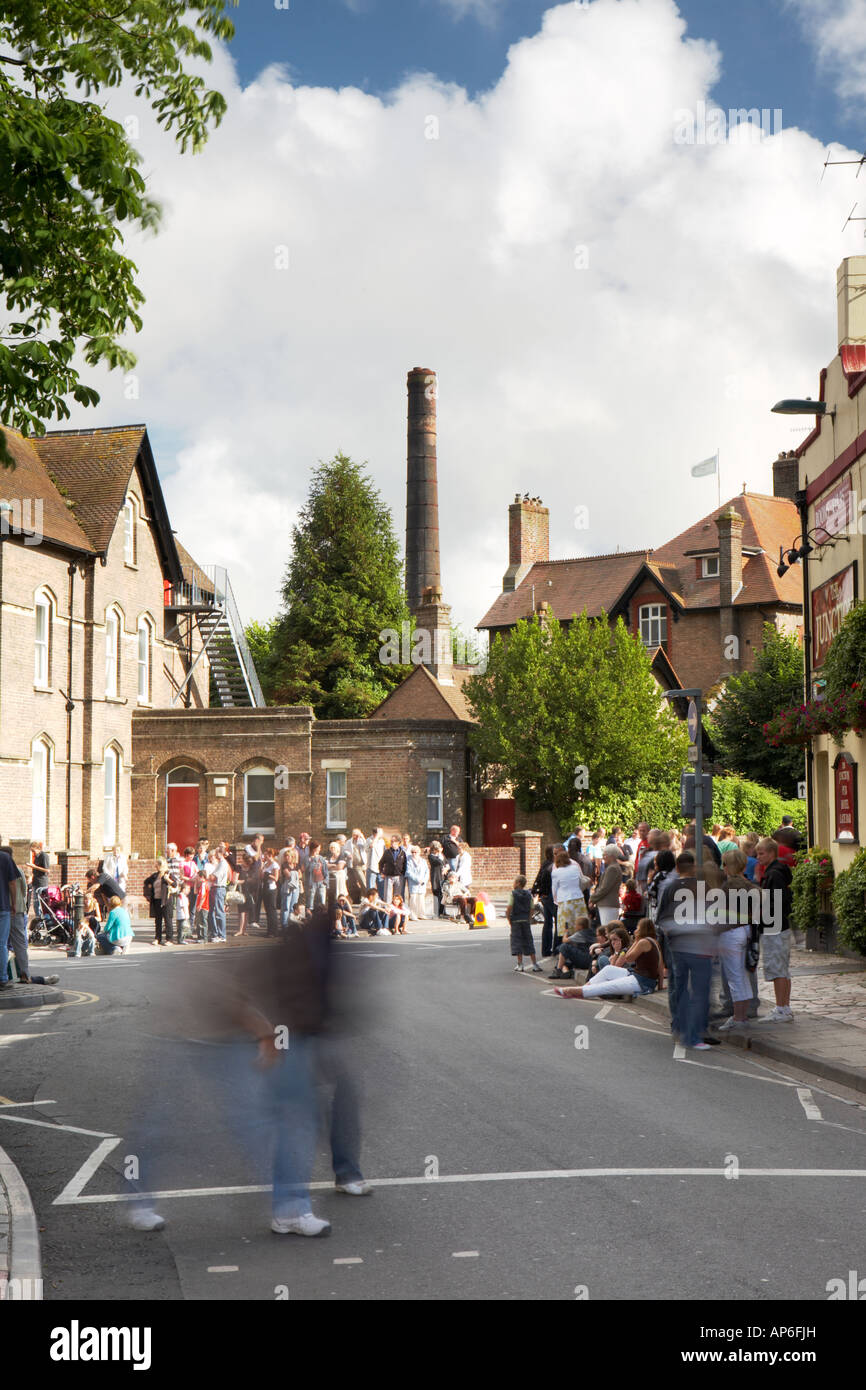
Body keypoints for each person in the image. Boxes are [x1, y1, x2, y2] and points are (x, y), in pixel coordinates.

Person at [665, 864, 721, 1049]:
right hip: (698, 953)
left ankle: (682, 1029)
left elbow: (668, 923)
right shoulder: (707, 902)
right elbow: (712, 925)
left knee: (683, 993)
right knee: (700, 996)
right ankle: (692, 1036)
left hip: (680, 951)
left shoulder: (682, 900)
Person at [554, 919, 662, 999]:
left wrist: (634, 942)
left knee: (608, 986)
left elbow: (628, 958)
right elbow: (660, 966)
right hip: (639, 976)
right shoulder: (653, 941)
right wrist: (660, 986)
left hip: (641, 981)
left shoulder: (642, 942)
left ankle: (575, 992)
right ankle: (584, 988)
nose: (635, 930)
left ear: (642, 929)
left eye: (638, 928)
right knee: (608, 969)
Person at [714, 848, 760, 1031]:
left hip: (730, 933)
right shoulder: (749, 885)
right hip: (746, 931)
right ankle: (741, 1015)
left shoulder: (728, 886)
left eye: (724, 864)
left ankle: (738, 1017)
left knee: (735, 978)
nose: (723, 867)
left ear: (728, 866)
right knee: (742, 976)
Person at [754, 837, 794, 1023]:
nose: (758, 856)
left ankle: (781, 1008)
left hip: (774, 927)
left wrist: (764, 916)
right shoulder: (777, 871)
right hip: (780, 926)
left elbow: (776, 901)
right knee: (782, 969)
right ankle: (784, 1007)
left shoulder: (774, 874)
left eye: (761, 853)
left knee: (778, 969)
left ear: (771, 853)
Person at [551, 849, 589, 949]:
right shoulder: (575, 868)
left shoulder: (556, 872)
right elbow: (581, 880)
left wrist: (555, 900)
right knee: (580, 925)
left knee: (566, 927)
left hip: (565, 900)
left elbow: (554, 888)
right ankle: (581, 947)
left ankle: (568, 949)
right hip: (578, 898)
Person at [506, 875, 541, 972]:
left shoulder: (513, 894)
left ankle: (520, 964)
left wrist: (509, 918)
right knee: (528, 940)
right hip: (525, 920)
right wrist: (529, 918)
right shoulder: (528, 894)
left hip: (516, 920)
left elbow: (509, 907)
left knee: (517, 941)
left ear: (518, 883)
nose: (513, 884)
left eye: (514, 882)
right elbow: (532, 908)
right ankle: (534, 964)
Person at [550, 915, 595, 980]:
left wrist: (566, 933)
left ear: (580, 926)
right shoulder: (591, 932)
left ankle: (558, 970)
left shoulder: (580, 934)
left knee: (563, 947)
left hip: (585, 958)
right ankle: (566, 971)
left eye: (575, 925)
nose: (574, 926)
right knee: (564, 956)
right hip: (590, 959)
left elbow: (564, 940)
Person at [531, 846, 557, 958]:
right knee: (558, 922)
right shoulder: (552, 866)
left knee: (548, 923)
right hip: (550, 896)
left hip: (545, 896)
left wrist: (538, 893)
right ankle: (556, 949)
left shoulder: (545, 864)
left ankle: (545, 950)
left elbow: (538, 878)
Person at [590, 847, 624, 926]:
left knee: (608, 929)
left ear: (611, 856)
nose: (603, 857)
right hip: (607, 904)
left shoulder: (612, 868)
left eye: (605, 855)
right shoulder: (612, 867)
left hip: (608, 904)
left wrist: (593, 899)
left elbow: (605, 888)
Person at [207, 847, 230, 942]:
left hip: (218, 889)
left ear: (221, 853)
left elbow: (213, 877)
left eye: (217, 852)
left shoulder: (223, 864)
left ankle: (222, 935)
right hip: (215, 889)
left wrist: (204, 875)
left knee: (219, 912)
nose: (215, 854)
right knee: (212, 911)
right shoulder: (220, 863)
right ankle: (215, 933)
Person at [377, 836, 405, 905]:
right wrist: (382, 872)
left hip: (398, 877)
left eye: (394, 841)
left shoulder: (402, 853)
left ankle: (396, 911)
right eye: (391, 841)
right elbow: (381, 863)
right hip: (389, 876)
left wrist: (402, 874)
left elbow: (405, 864)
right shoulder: (387, 852)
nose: (392, 843)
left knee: (397, 896)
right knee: (387, 896)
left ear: (398, 843)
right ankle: (388, 911)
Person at [405, 846, 429, 920]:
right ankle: (413, 915)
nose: (414, 854)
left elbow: (427, 871)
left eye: (416, 852)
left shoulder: (423, 860)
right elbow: (408, 872)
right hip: (413, 882)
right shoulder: (408, 860)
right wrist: (417, 879)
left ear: (419, 853)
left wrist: (424, 880)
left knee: (421, 899)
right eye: (412, 852)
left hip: (422, 883)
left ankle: (421, 914)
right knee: (413, 899)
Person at [428, 841, 447, 918]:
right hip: (436, 876)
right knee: (436, 893)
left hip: (442, 876)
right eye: (436, 849)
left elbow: (446, 863)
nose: (437, 850)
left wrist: (446, 868)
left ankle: (443, 911)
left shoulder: (441, 856)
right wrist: (439, 854)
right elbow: (439, 862)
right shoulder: (431, 856)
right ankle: (437, 912)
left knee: (443, 894)